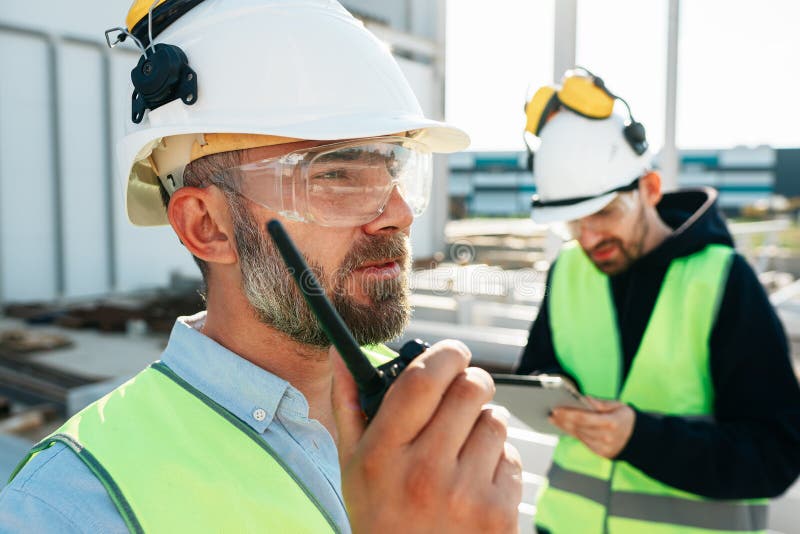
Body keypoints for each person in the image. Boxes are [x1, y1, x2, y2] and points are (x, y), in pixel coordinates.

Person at [0, 1, 523, 532]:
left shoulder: (423, 405)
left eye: (393, 169)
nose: (399, 215)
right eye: (336, 174)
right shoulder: (70, 504)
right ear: (207, 225)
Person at [517, 68, 800, 534]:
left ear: (648, 190)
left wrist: (640, 438)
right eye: (572, 221)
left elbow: (776, 453)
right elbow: (537, 373)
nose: (589, 238)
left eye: (604, 212)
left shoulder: (722, 280)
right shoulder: (568, 269)